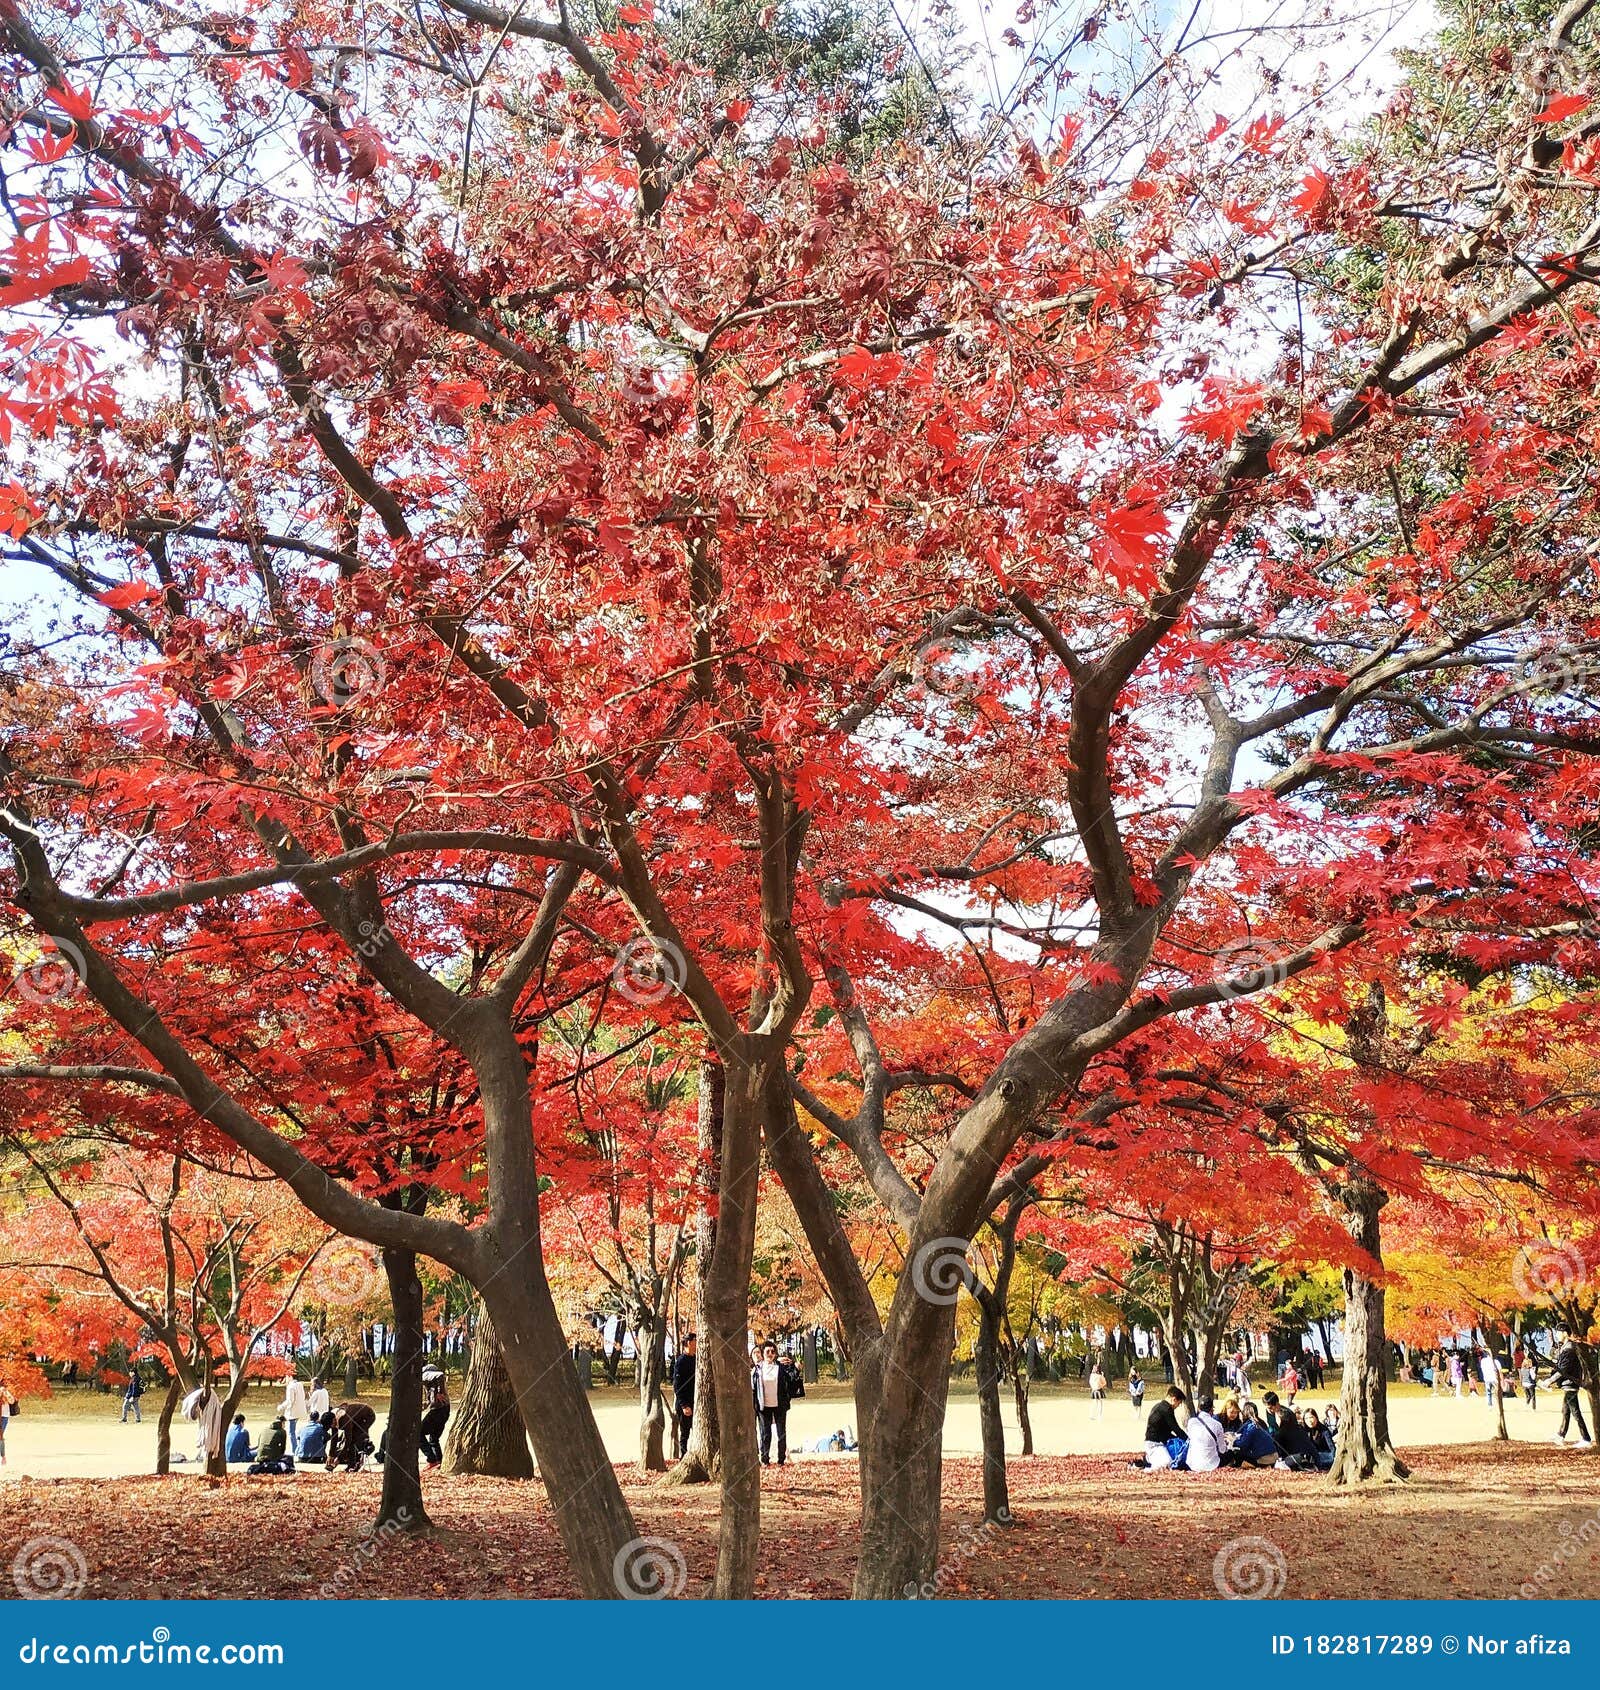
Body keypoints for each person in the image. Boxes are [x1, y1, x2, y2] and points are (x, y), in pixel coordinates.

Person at [1548, 1331, 1594, 1448]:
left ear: (1564, 1333)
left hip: (1571, 1384)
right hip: (1568, 1384)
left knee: (1575, 1412)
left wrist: (1549, 1381)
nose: (1557, 1335)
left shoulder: (1569, 1348)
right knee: (1566, 1411)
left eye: (1558, 1333)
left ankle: (1586, 1438)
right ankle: (1561, 1435)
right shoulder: (1566, 1347)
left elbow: (1563, 1369)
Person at [751, 1340, 793, 1466]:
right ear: (763, 1354)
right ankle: (765, 1459)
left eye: (772, 1351)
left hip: (779, 1405)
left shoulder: (780, 1367)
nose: (770, 1354)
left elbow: (791, 1379)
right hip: (764, 1406)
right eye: (767, 1351)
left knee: (781, 1433)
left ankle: (781, 1459)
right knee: (765, 1434)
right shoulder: (758, 1369)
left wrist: (794, 1366)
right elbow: (752, 1387)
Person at [1132, 1385, 1187, 1470]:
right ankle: (1145, 1468)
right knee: (1166, 1464)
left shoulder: (1159, 1406)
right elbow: (1176, 1429)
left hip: (1157, 1442)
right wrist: (1188, 1440)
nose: (1177, 1406)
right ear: (1174, 1399)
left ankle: (1146, 1461)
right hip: (1155, 1444)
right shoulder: (1166, 1409)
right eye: (1178, 1403)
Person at [1262, 1390, 1316, 1470]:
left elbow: (1287, 1434)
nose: (1269, 1410)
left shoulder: (1286, 1414)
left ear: (1277, 1403)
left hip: (1293, 1445)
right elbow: (1272, 1427)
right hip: (1279, 1442)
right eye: (1267, 1408)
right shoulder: (1269, 1411)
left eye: (1271, 1407)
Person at [327, 1401, 377, 1471]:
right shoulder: (332, 1418)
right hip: (356, 1418)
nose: (333, 1427)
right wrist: (331, 1455)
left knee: (353, 1439)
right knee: (351, 1441)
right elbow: (334, 1438)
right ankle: (352, 1463)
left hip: (368, 1416)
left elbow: (348, 1440)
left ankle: (355, 1463)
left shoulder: (344, 1419)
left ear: (333, 1420)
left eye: (332, 1425)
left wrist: (338, 1459)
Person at [671, 1333, 697, 1458]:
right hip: (685, 1404)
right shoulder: (680, 1362)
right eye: (695, 1341)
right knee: (685, 1432)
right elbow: (677, 1385)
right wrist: (684, 1405)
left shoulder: (697, 1360)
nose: (697, 1344)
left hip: (696, 1402)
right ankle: (683, 1457)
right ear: (688, 1343)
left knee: (697, 1432)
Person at [1184, 1398, 1226, 1472]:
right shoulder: (1217, 1425)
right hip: (1212, 1465)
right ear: (1212, 1409)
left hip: (1193, 1464)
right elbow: (1222, 1450)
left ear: (1198, 1408)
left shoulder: (1191, 1422)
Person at [419, 1375, 450, 1468]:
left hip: (438, 1411)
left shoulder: (425, 1372)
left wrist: (439, 1392)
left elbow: (440, 1375)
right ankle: (439, 1461)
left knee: (418, 1433)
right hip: (444, 1410)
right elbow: (429, 1401)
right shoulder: (429, 1385)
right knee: (434, 1438)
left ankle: (431, 1459)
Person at [279, 1375, 308, 1452]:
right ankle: (297, 1448)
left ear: (290, 1377)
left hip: (293, 1413)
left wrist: (281, 1407)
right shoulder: (300, 1384)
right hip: (300, 1411)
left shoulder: (290, 1387)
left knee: (291, 1432)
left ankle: (295, 1449)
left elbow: (290, 1401)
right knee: (294, 1431)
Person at [0, 1379, 14, 1467]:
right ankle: (3, 1456)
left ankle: (3, 1456)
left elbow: (12, 1401)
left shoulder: (4, 1391)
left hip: (3, 1416)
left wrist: (5, 1394)